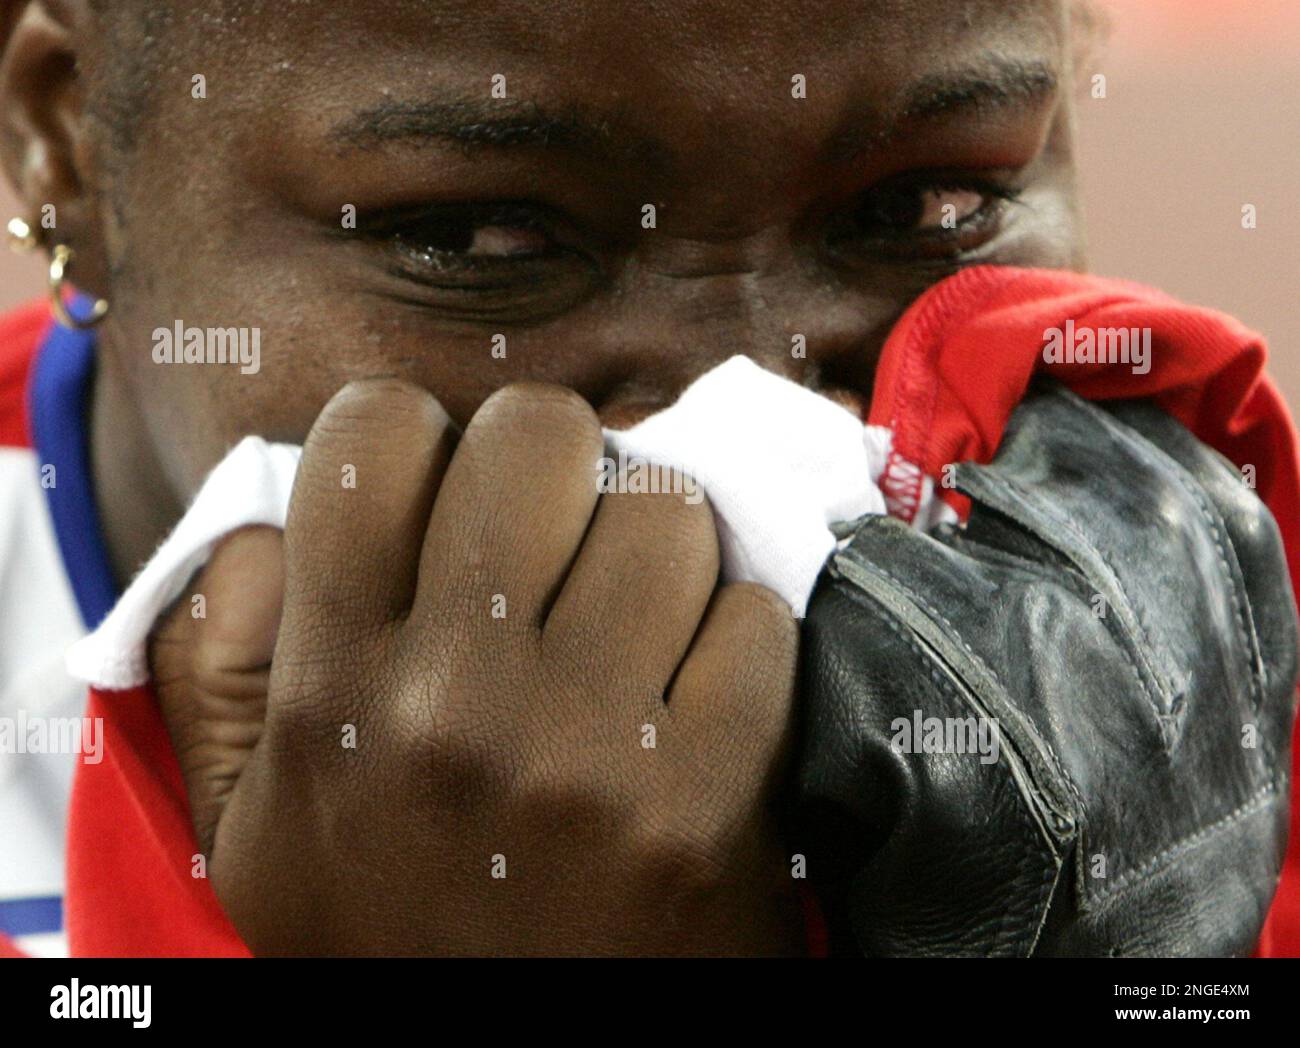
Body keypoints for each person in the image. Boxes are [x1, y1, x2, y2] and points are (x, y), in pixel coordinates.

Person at [0, 0, 1294, 956]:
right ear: (66, 150)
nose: (744, 414)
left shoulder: (1218, 643)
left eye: (924, 209)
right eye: (482, 238)